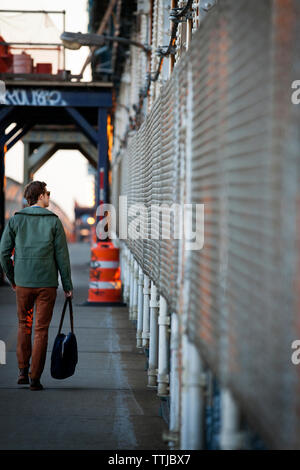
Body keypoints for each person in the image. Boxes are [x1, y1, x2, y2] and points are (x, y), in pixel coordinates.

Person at [0, 181, 73, 391]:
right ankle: (35, 378)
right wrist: (67, 285)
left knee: (24, 324)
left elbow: (4, 253)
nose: (49, 197)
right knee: (41, 330)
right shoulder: (54, 222)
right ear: (40, 196)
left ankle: (22, 371)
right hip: (47, 285)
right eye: (47, 193)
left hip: (23, 283)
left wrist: (13, 278)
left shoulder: (16, 220)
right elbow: (62, 257)